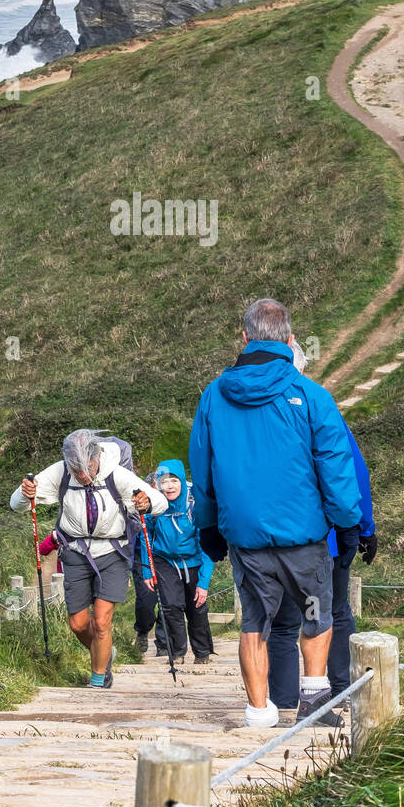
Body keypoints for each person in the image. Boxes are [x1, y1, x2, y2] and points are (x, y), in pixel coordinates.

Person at [189, 298, 362, 729]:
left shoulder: (213, 395)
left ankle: (258, 711)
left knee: (256, 621)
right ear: (288, 339)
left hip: (245, 536)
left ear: (244, 337)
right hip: (303, 534)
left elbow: (203, 470)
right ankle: (313, 697)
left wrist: (207, 527)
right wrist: (348, 522)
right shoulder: (311, 395)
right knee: (313, 613)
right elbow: (335, 467)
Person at [266, 343, 377, 715]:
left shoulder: (255, 413)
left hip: (274, 538)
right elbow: (351, 471)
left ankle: (282, 701)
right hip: (327, 537)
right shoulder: (318, 405)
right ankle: (341, 690)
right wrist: (364, 527)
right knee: (334, 612)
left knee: (284, 623)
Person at [10, 431, 166, 687]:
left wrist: (145, 502)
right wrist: (23, 492)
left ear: (97, 457)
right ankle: (105, 653)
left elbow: (159, 503)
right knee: (78, 625)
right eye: (76, 470)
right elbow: (19, 505)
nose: (83, 476)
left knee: (101, 622)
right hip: (76, 552)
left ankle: (98, 680)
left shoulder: (117, 473)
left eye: (88, 469)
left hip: (114, 552)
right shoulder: (60, 472)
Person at [140, 459, 215, 666]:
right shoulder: (153, 504)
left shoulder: (194, 503)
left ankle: (202, 653)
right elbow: (145, 538)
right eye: (164, 481)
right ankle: (177, 652)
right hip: (164, 560)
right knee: (171, 606)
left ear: (181, 480)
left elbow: (207, 543)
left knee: (197, 607)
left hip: (194, 559)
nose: (169, 486)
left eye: (174, 480)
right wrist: (147, 570)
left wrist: (204, 582)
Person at [131, 472, 162, 653]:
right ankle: (142, 631)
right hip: (140, 557)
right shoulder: (137, 505)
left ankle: (164, 644)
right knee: (146, 601)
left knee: (168, 601)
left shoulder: (172, 505)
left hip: (165, 557)